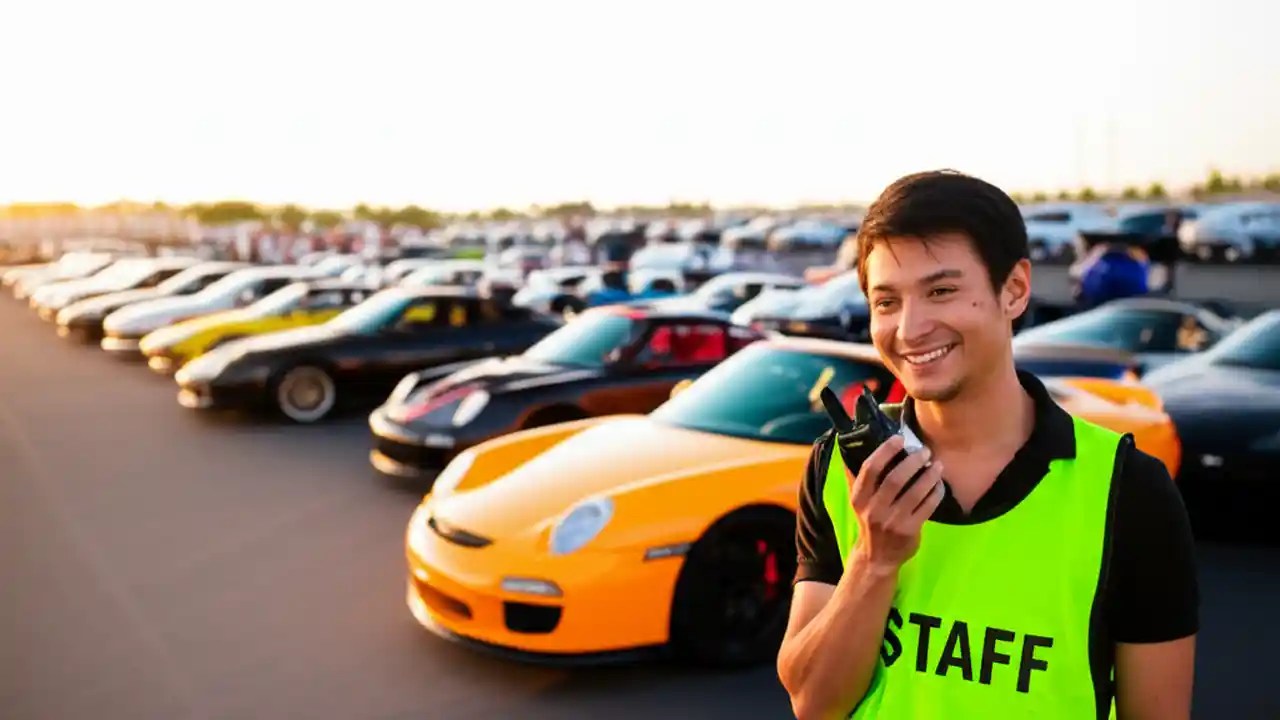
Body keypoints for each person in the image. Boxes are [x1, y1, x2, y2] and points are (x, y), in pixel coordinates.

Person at [776, 170, 1197, 719]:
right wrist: (875, 560)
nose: (910, 328)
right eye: (886, 302)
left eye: (942, 291)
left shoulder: (1127, 492)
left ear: (1015, 289)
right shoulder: (839, 465)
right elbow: (814, 703)